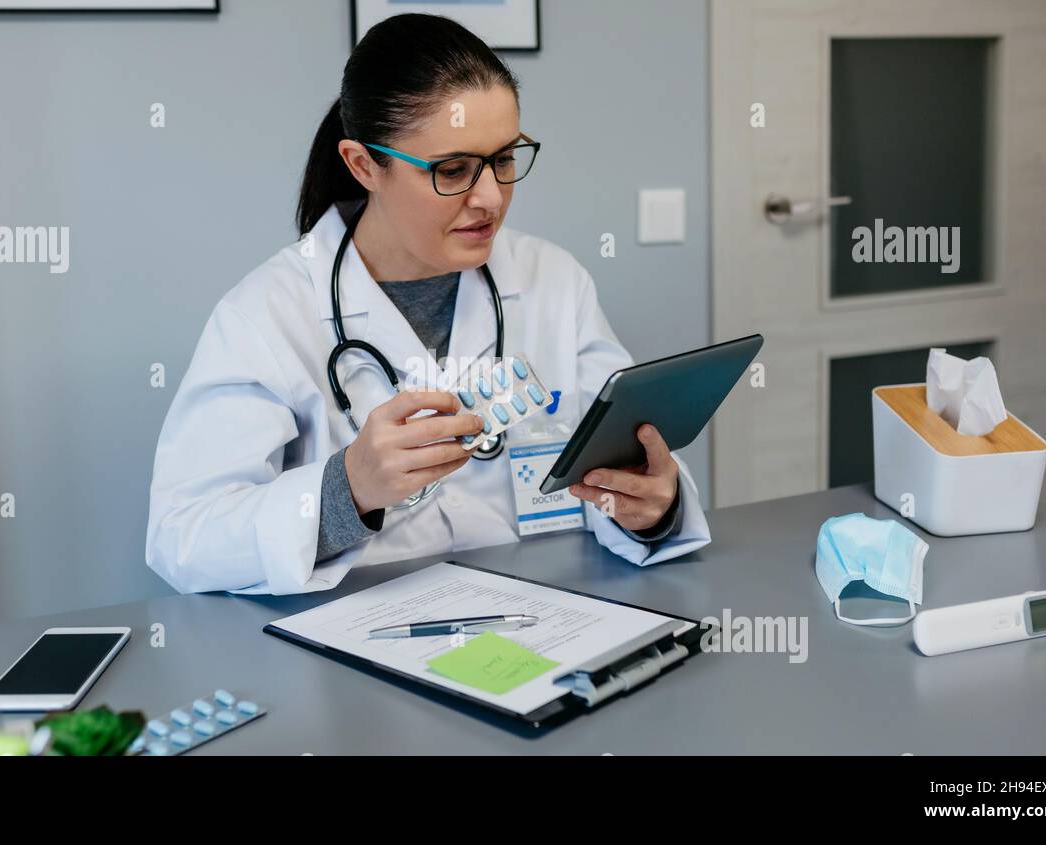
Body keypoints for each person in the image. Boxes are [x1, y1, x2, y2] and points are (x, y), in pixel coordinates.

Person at [145, 13, 710, 596]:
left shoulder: (553, 281)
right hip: (358, 642)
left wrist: (653, 505)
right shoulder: (268, 314)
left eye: (505, 159)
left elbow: (618, 459)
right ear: (364, 165)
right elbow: (181, 537)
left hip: (544, 614)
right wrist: (350, 490)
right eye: (453, 170)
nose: (490, 198)